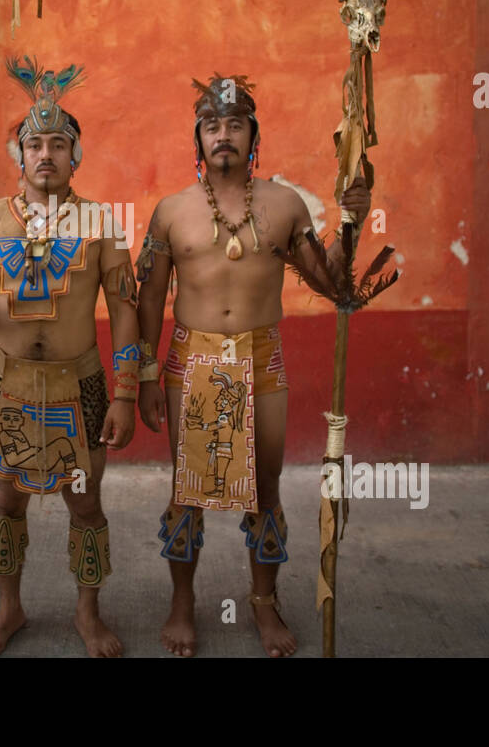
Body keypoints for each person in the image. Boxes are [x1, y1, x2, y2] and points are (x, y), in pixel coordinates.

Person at [135, 73, 370, 658]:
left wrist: (352, 221)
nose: (223, 136)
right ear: (198, 139)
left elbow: (331, 282)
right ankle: (183, 602)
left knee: (265, 489)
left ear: (252, 135)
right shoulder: (170, 211)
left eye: (234, 125)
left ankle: (264, 603)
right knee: (187, 491)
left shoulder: (285, 205)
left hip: (262, 361)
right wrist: (140, 378)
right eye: (212, 126)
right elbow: (146, 300)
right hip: (190, 361)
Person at [0, 56, 139, 658]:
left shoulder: (101, 222)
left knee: (85, 500)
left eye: (59, 143)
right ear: (18, 156)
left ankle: (87, 614)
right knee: (5, 500)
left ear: (76, 156)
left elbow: (126, 308)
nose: (46, 153)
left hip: (82, 386)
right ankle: (9, 607)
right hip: (8, 384)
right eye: (34, 143)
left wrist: (126, 392)